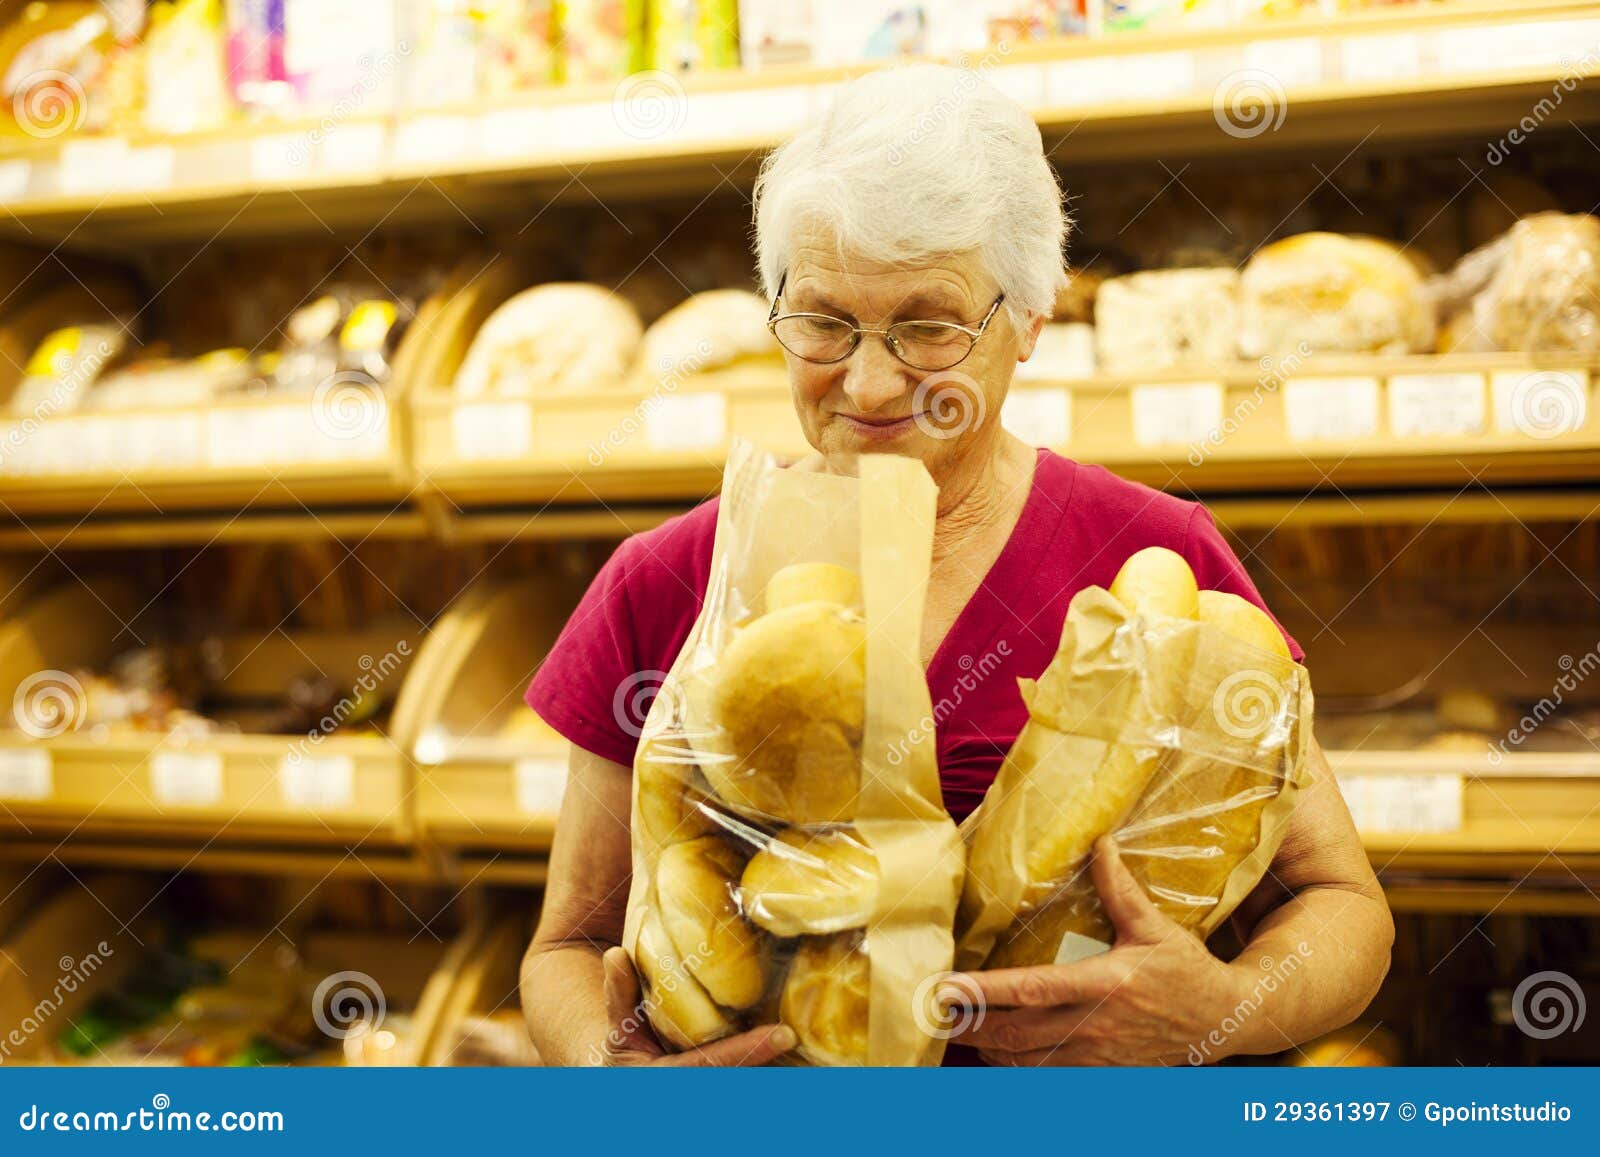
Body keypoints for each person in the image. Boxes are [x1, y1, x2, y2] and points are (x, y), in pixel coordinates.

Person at [519, 63, 1393, 1067]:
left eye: (927, 327)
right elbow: (567, 943)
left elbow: (1341, 903)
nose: (868, 381)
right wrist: (607, 1067)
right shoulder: (665, 578)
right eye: (823, 322)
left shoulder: (1155, 558)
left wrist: (1223, 1006)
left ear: (1029, 321)